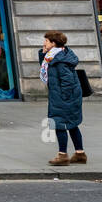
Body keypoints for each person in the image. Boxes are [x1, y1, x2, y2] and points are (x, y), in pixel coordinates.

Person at [41, 30, 86, 165]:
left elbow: (67, 81)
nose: (44, 42)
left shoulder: (60, 61)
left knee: (59, 124)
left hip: (63, 97)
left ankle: (62, 156)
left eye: (46, 41)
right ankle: (80, 154)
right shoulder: (54, 56)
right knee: (72, 125)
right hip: (61, 95)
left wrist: (64, 98)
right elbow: (45, 67)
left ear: (53, 43)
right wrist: (42, 52)